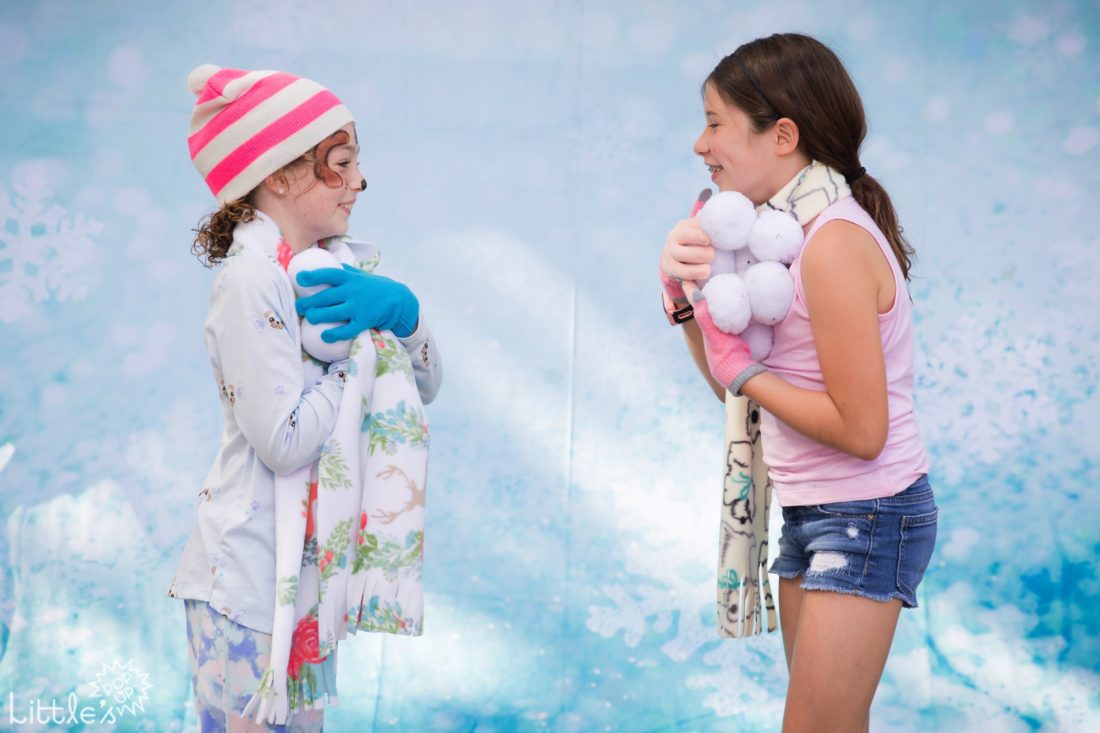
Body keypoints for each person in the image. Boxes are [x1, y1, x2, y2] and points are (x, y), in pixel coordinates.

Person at [659, 34, 937, 733]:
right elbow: (738, 392)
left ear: (782, 135)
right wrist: (686, 300)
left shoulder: (834, 244)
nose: (700, 143)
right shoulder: (773, 242)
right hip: (813, 510)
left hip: (869, 512)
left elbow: (860, 429)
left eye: (716, 121)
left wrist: (745, 373)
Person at [167, 64, 441, 731]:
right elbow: (284, 439)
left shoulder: (336, 272)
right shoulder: (250, 282)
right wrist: (353, 362)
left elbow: (424, 384)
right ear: (279, 174)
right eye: (340, 164)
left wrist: (404, 316)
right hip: (249, 581)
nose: (359, 183)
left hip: (307, 581)